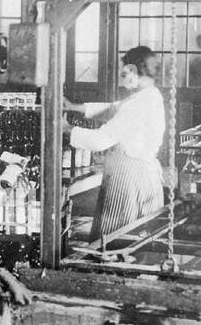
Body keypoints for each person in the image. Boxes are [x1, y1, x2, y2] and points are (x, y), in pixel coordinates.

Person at [65, 52, 166, 245]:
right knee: (135, 241)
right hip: (142, 175)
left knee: (115, 240)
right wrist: (74, 107)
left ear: (135, 71)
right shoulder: (149, 95)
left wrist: (66, 129)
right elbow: (114, 109)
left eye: (125, 72)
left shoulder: (138, 104)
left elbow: (100, 140)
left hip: (128, 179)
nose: (122, 76)